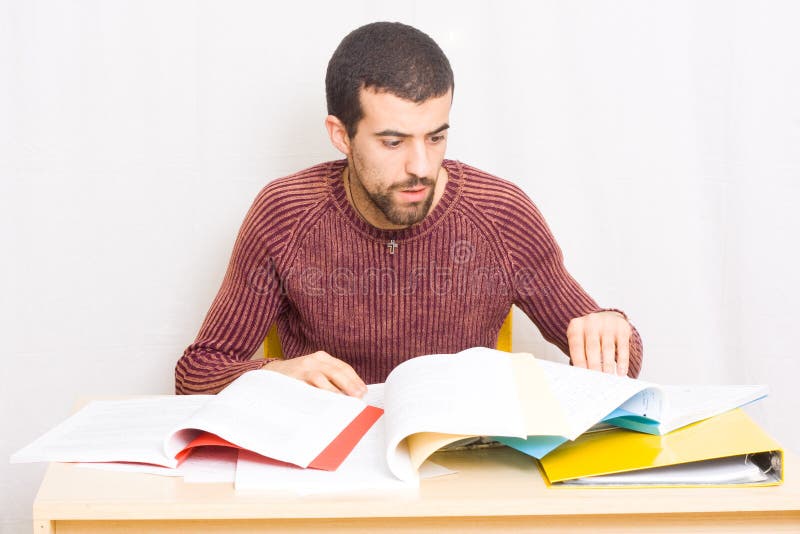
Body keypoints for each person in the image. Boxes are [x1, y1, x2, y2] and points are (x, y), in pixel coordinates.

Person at [175, 21, 643, 396]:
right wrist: (276, 375)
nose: (421, 166)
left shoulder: (502, 216)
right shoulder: (285, 215)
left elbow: (624, 360)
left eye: (435, 137)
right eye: (393, 141)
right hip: (326, 473)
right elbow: (197, 373)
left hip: (462, 465)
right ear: (341, 135)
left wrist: (611, 327)